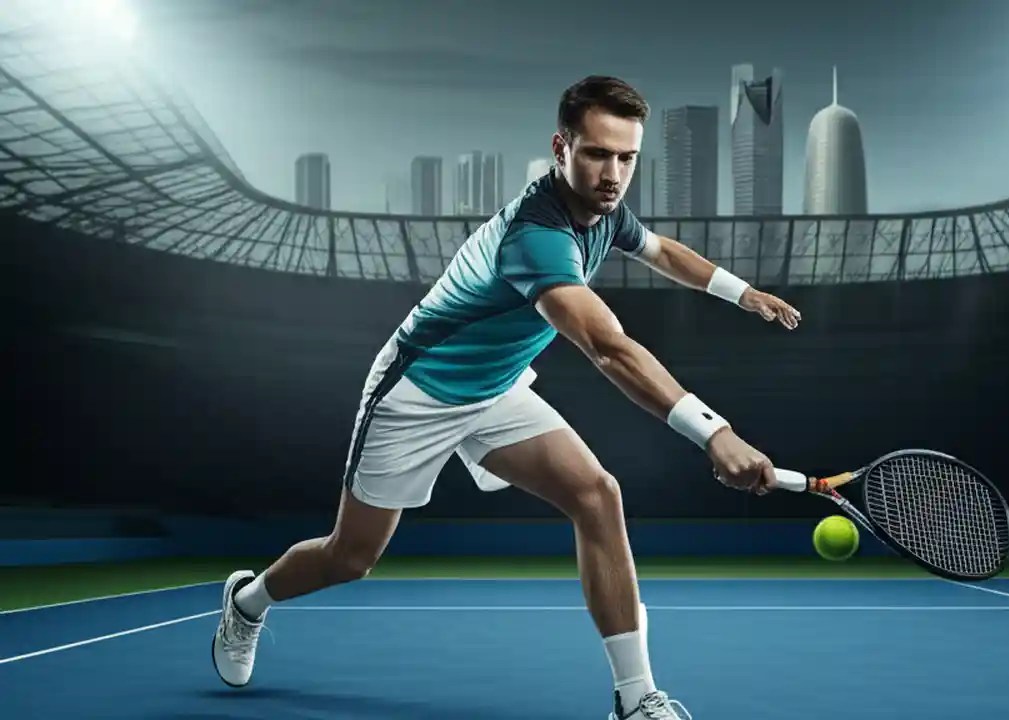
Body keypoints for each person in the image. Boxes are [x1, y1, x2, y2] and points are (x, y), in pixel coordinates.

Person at [210, 75, 802, 719]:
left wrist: (742, 292)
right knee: (351, 558)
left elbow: (661, 251)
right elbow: (608, 347)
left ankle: (635, 700)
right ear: (561, 147)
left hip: (494, 389)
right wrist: (714, 433)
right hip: (418, 392)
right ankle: (247, 602)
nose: (613, 174)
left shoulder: (606, 213)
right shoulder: (535, 237)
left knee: (597, 495)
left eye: (626, 158)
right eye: (598, 154)